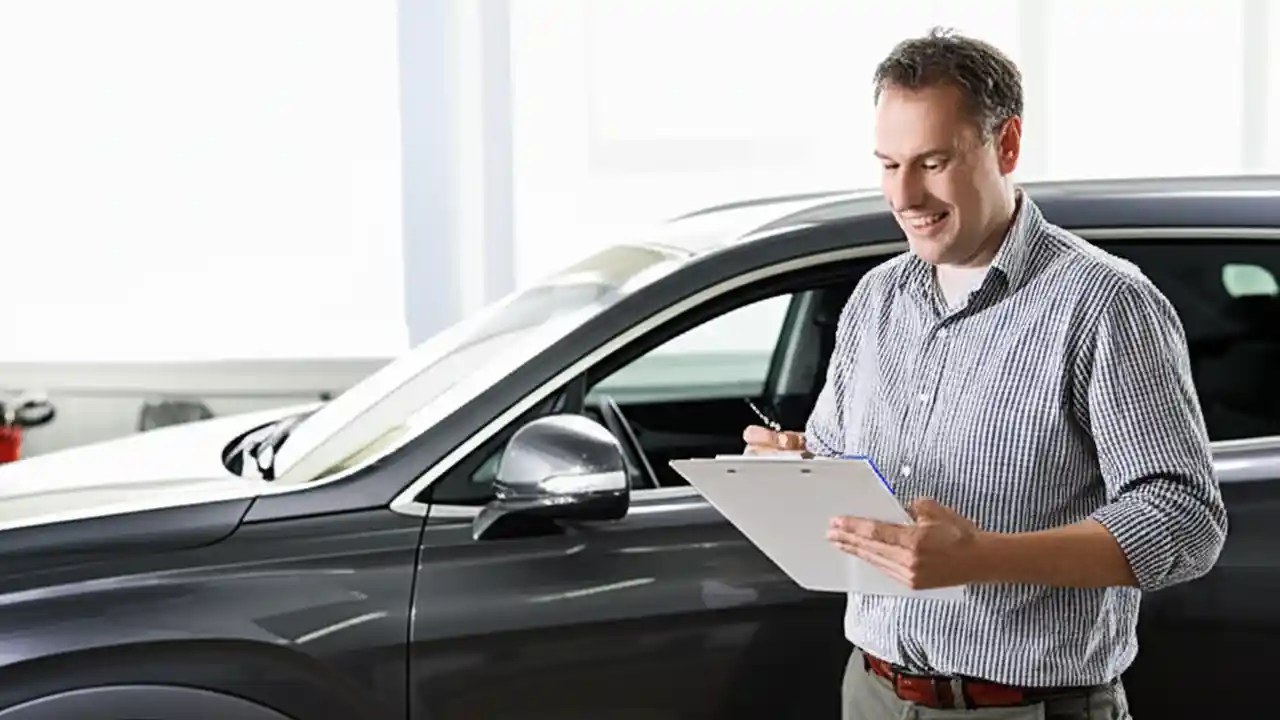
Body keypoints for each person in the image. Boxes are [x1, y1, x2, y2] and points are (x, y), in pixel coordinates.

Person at [743, 28, 1227, 719]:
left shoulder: (1105, 304)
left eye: (932, 162)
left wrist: (982, 556)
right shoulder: (876, 300)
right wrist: (799, 467)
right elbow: (843, 466)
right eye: (888, 164)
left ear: (1006, 146)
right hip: (874, 692)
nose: (904, 195)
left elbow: (1184, 522)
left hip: (1026, 707)